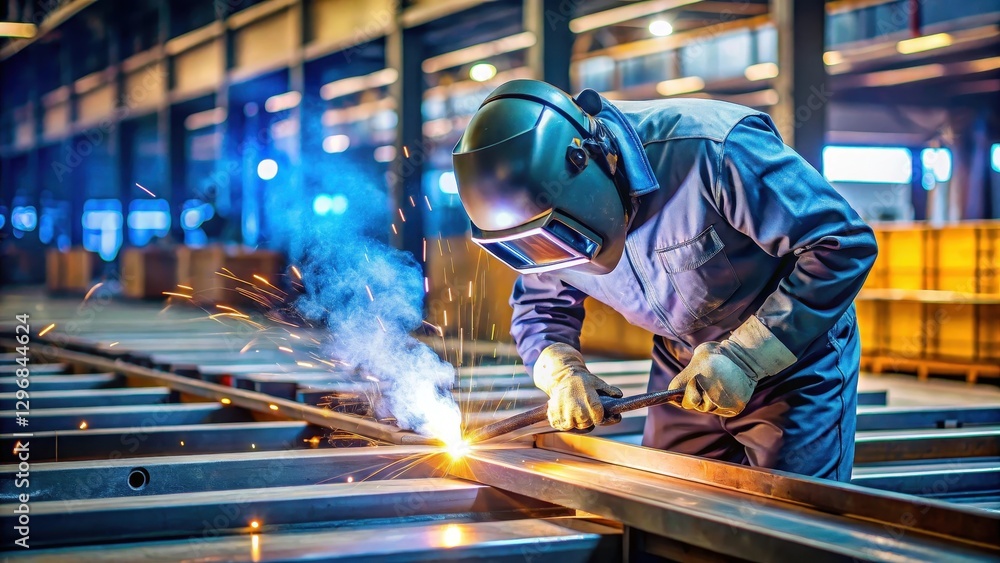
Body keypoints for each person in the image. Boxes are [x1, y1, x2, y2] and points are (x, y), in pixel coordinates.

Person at [452, 79, 877, 481]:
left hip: (792, 353)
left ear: (589, 174)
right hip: (682, 362)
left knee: (794, 516)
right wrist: (562, 372)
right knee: (670, 503)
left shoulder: (713, 151)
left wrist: (748, 357)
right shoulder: (543, 224)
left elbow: (840, 244)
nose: (561, 257)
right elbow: (539, 306)